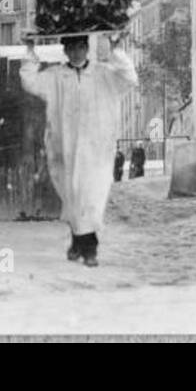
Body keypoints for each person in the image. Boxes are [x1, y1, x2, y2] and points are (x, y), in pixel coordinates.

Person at [21, 32, 137, 267]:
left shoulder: (103, 74)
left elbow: (129, 79)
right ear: (65, 51)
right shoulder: (56, 76)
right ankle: (77, 240)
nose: (76, 53)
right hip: (65, 146)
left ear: (87, 48)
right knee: (72, 196)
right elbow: (30, 82)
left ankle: (90, 248)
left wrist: (116, 50)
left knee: (93, 196)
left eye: (80, 48)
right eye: (71, 48)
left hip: (96, 148)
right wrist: (31, 51)